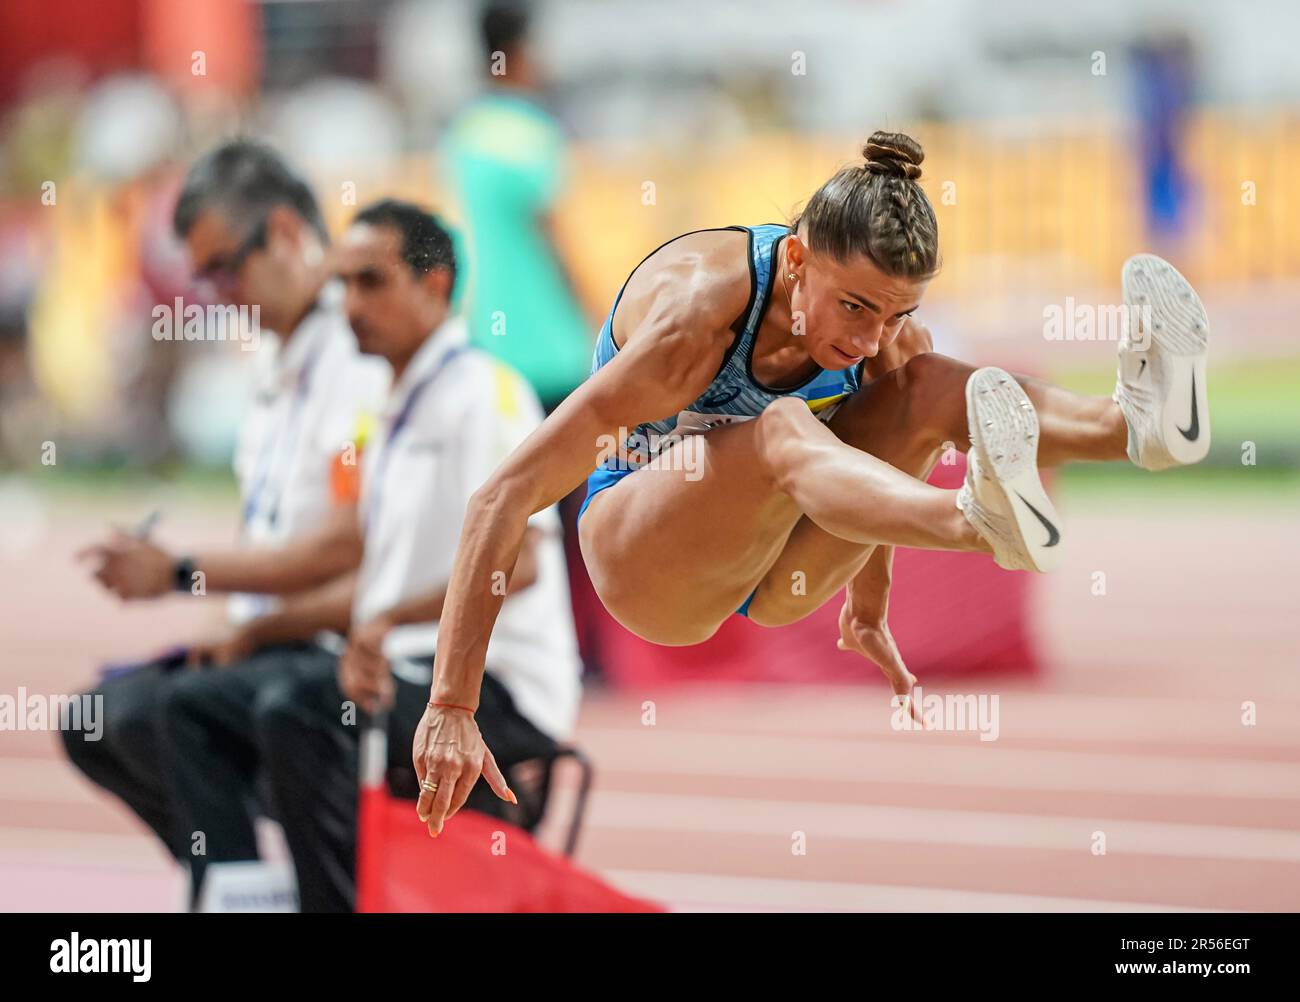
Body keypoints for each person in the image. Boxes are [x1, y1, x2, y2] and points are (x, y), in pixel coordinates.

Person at [409, 129, 1212, 836]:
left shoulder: (878, 336)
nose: (869, 338)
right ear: (794, 259)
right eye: (857, 308)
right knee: (783, 430)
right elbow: (501, 497)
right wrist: (451, 704)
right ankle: (974, 520)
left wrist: (869, 607)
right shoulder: (693, 325)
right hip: (644, 564)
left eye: (894, 312)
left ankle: (1132, 428)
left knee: (925, 380)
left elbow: (867, 464)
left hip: (774, 572)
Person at [162, 200, 581, 911]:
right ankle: (243, 892)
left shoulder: (486, 394)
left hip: (495, 686)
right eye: (343, 285)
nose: (350, 304)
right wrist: (264, 629)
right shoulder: (385, 412)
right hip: (396, 668)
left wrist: (388, 620)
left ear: (436, 285)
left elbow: (530, 562)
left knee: (297, 707)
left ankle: (334, 901)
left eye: (371, 283)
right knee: (187, 705)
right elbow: (371, 580)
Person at [65, 139, 388, 897]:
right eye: (202, 275)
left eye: (222, 268)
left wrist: (183, 572)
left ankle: (241, 890)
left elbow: (349, 538)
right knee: (98, 720)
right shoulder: (275, 364)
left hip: (337, 644)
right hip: (272, 643)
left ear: (282, 232)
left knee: (183, 710)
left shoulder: (361, 352)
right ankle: (238, 887)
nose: (216, 293)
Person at [442, 0, 591, 412]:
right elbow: (555, 239)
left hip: (489, 341)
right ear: (520, 52)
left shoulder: (463, 132)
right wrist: (595, 313)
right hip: (550, 344)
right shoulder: (533, 133)